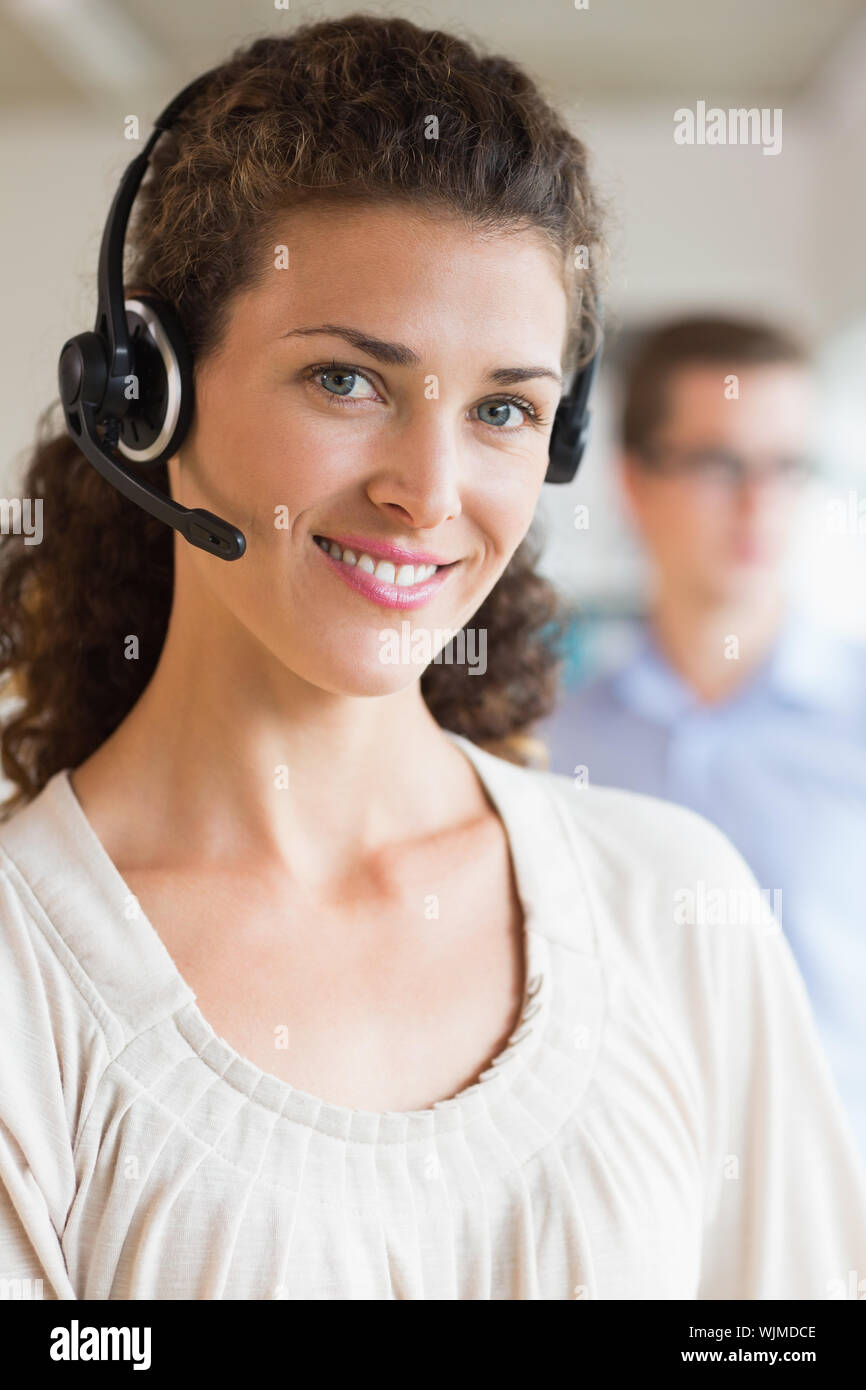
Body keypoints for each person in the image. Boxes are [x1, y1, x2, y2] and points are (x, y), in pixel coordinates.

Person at [0, 19, 864, 1303]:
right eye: (346, 381)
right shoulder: (26, 974)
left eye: (503, 408)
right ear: (148, 400)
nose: (429, 489)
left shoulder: (675, 907)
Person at [541, 314, 866, 1162]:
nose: (761, 503)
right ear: (634, 483)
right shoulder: (551, 740)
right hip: (617, 1196)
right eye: (721, 464)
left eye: (787, 466)